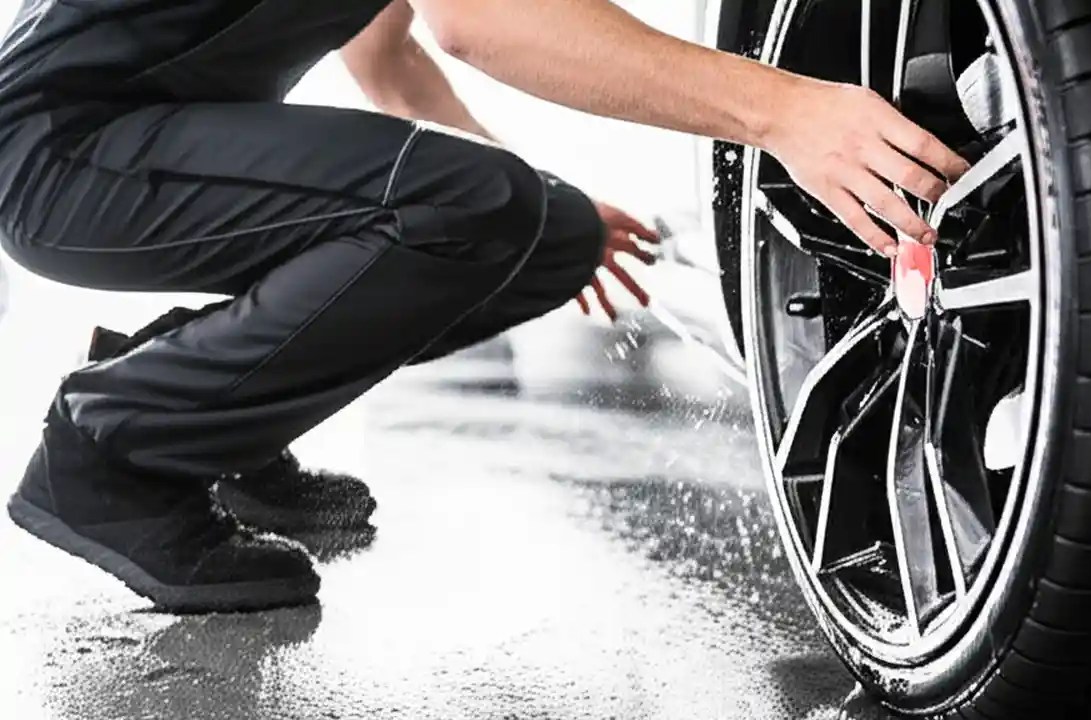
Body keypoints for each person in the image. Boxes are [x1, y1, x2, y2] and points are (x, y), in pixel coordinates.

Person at [0, 0, 967, 613]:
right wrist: (783, 108)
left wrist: (547, 204)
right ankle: (111, 451)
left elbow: (391, 58)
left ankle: (214, 424)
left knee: (542, 231)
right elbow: (482, 19)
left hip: (125, 145)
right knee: (481, 207)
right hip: (61, 151)